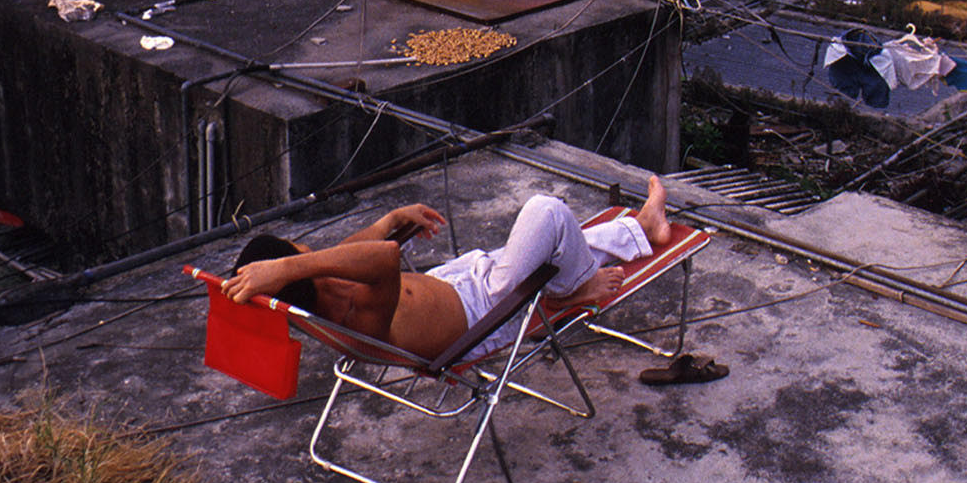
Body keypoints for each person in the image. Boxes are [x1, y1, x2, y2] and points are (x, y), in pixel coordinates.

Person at [222, 176, 672, 363]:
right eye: (300, 253)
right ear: (297, 267)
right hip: (488, 312)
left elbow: (351, 250)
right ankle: (571, 288)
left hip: (463, 280)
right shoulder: (350, 322)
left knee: (536, 247)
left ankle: (642, 224)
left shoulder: (325, 288)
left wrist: (392, 219)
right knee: (548, 214)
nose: (310, 251)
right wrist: (282, 266)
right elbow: (383, 258)